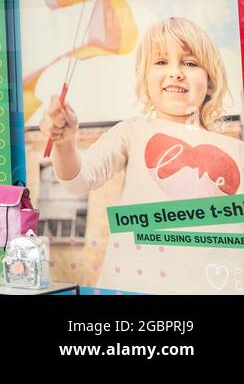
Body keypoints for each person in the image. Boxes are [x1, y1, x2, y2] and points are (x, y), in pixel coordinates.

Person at [46, 16, 243, 294]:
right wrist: (65, 145)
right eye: (161, 62)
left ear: (210, 80)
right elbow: (80, 179)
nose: (176, 72)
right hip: (134, 288)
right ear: (145, 78)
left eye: (189, 62)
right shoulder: (132, 132)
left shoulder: (236, 152)